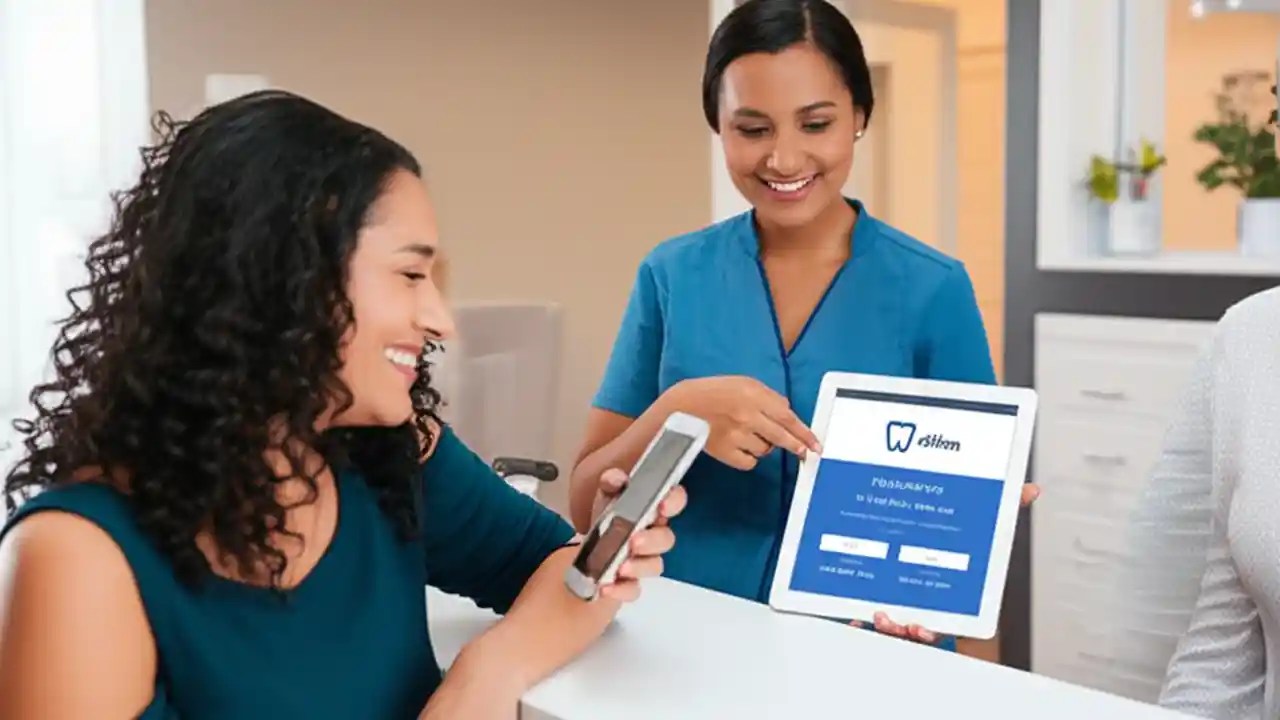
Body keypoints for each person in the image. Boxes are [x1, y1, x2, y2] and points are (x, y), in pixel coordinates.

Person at [0, 91, 685, 720]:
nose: (441, 320)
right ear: (285, 278)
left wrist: (484, 677)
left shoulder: (387, 457)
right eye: (411, 274)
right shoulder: (78, 558)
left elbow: (563, 568)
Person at [568, 0, 1037, 659]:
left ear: (860, 118)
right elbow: (586, 504)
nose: (783, 158)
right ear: (718, 126)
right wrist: (679, 413)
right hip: (675, 647)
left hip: (867, 659)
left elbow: (971, 557)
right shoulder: (671, 276)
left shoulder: (934, 288)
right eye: (752, 129)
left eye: (816, 123)